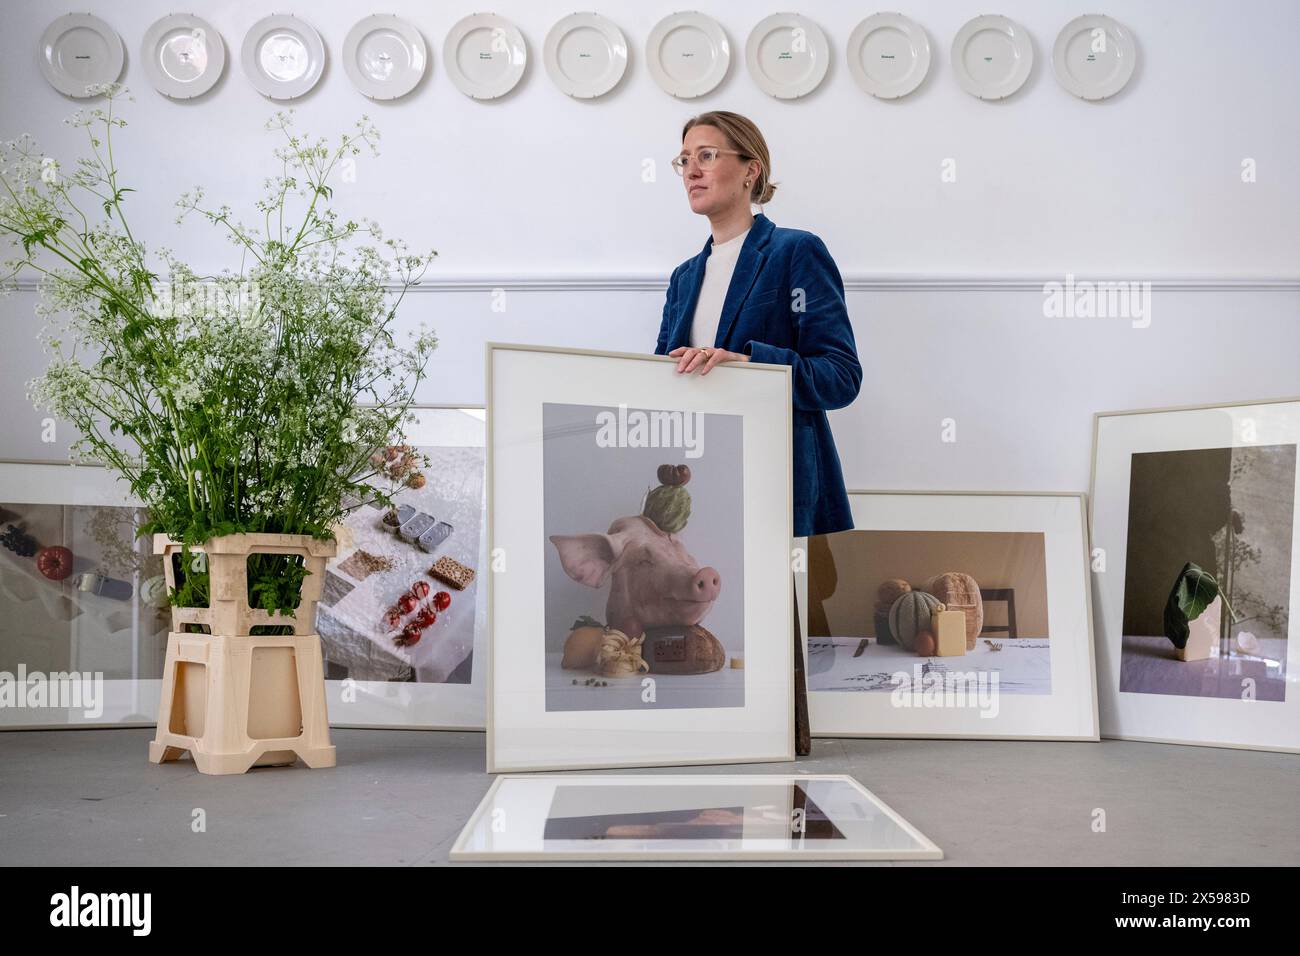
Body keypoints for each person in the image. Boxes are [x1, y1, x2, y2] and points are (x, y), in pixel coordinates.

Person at [655, 110, 862, 537]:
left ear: (751, 170)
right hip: (697, 492)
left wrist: (750, 365)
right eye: (684, 160)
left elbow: (840, 376)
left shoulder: (796, 251)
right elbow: (659, 381)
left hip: (776, 486)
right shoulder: (683, 278)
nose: (691, 170)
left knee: (782, 606)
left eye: (707, 155)